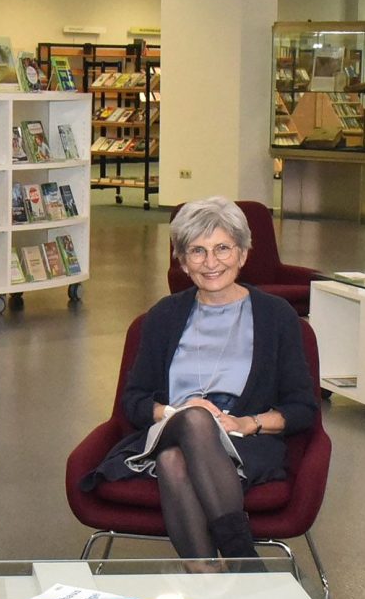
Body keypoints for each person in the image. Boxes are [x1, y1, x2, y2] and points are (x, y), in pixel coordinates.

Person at [81, 196, 321, 569]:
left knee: (174, 460)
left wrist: (247, 422)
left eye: (222, 248)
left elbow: (303, 408)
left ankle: (206, 573)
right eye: (197, 251)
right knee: (193, 419)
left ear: (242, 254)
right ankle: (243, 559)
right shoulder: (163, 316)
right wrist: (175, 413)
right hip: (168, 428)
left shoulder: (276, 316)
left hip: (244, 441)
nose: (211, 262)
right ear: (182, 261)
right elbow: (134, 401)